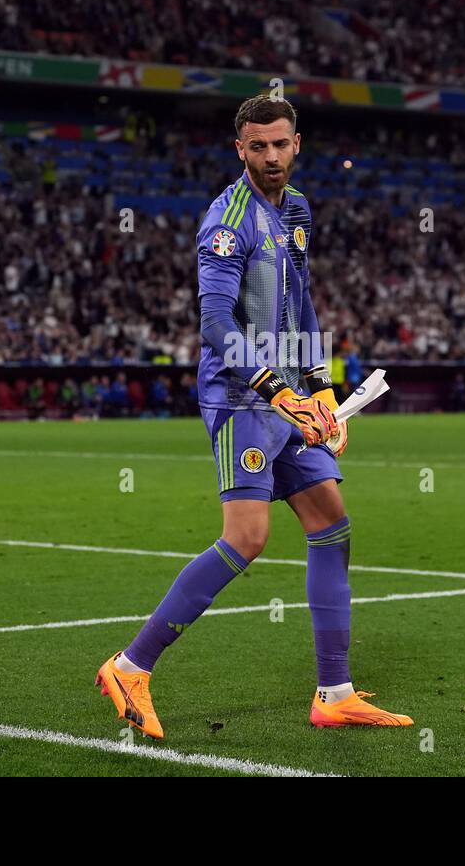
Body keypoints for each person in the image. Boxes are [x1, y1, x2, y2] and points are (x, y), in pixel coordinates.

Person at [95, 95, 412, 739]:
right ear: (239, 148)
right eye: (257, 146)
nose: (271, 157)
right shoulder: (227, 219)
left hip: (290, 391)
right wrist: (276, 390)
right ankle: (130, 666)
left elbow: (304, 305)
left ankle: (334, 692)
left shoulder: (295, 210)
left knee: (331, 523)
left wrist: (320, 387)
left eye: (281, 144)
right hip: (244, 396)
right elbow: (215, 323)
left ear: (299, 144)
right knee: (247, 537)